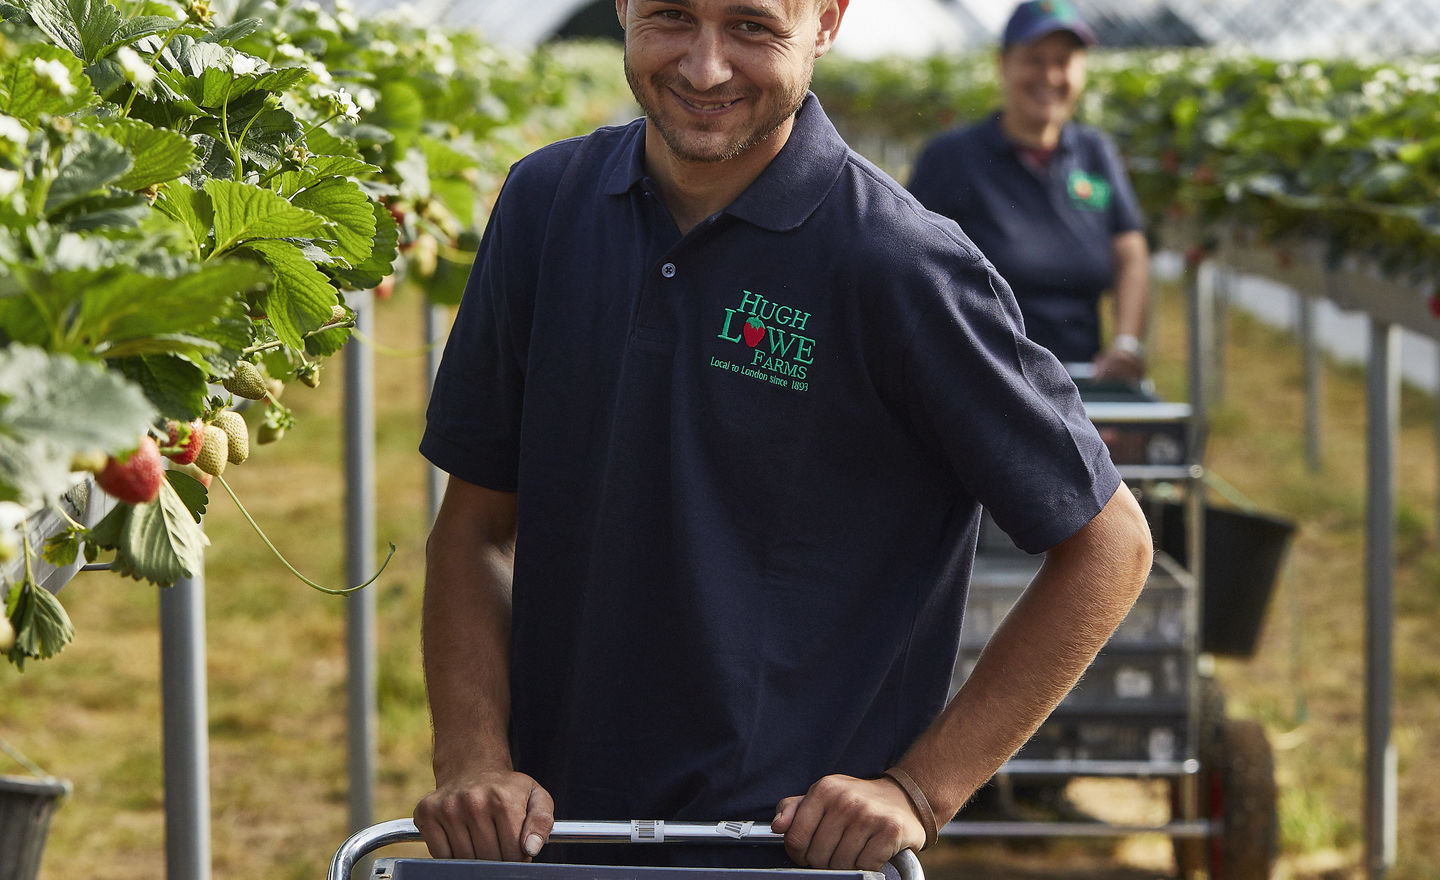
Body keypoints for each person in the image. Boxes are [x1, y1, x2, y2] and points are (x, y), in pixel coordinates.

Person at [413, 0, 1153, 872]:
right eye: (670, 17)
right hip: (553, 842)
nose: (705, 67)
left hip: (782, 855)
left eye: (754, 27)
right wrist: (474, 758)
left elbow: (1111, 545)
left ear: (828, 20)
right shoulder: (544, 206)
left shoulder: (898, 263)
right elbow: (472, 531)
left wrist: (919, 790)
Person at [908, 0, 1151, 383]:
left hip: (1080, 383)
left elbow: (1130, 252)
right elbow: (907, 267)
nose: (1051, 76)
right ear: (1002, 64)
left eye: (1064, 60)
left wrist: (1125, 345)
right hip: (982, 380)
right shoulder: (952, 159)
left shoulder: (1094, 153)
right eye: (1034, 60)